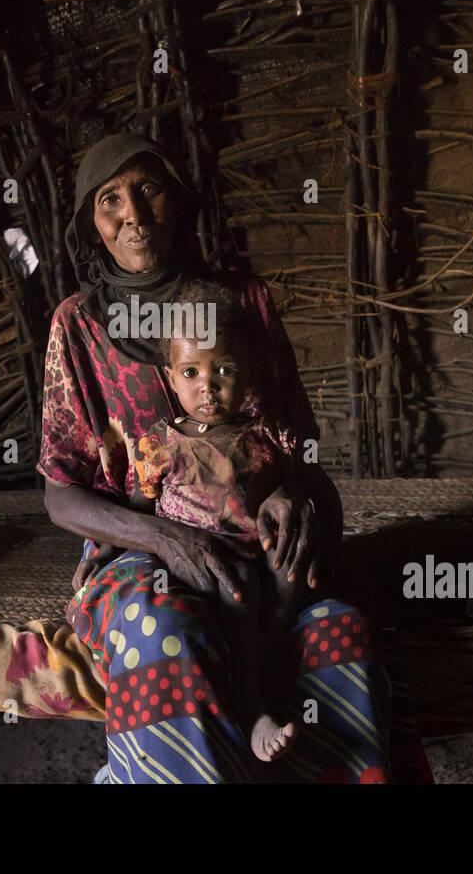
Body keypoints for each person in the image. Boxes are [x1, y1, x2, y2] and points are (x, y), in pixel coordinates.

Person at [40, 132, 431, 783]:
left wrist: (295, 491)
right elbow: (60, 493)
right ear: (91, 224)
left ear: (179, 201)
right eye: (111, 199)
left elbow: (300, 448)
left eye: (150, 189)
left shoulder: (241, 302)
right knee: (162, 626)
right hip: (139, 548)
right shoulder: (78, 326)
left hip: (255, 541)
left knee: (341, 632)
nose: (133, 212)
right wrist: (166, 539)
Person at [130, 278, 313, 762]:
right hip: (201, 558)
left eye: (224, 370)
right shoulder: (159, 443)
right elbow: (136, 508)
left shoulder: (263, 435)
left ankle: (257, 663)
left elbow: (285, 485)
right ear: (170, 378)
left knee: (291, 569)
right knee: (242, 592)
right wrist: (104, 551)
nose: (207, 386)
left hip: (257, 547)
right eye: (191, 372)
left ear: (247, 372)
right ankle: (251, 707)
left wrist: (283, 495)